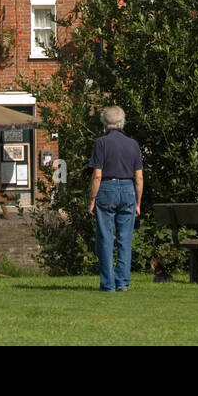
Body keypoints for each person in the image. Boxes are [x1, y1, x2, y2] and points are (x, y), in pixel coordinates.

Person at [87, 105, 143, 292]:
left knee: (105, 237)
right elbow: (139, 177)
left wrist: (93, 198)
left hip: (107, 188)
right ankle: (123, 282)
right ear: (122, 121)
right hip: (128, 189)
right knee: (125, 239)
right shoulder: (133, 144)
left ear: (104, 122)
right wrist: (138, 202)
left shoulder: (101, 143)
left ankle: (108, 283)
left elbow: (97, 175)